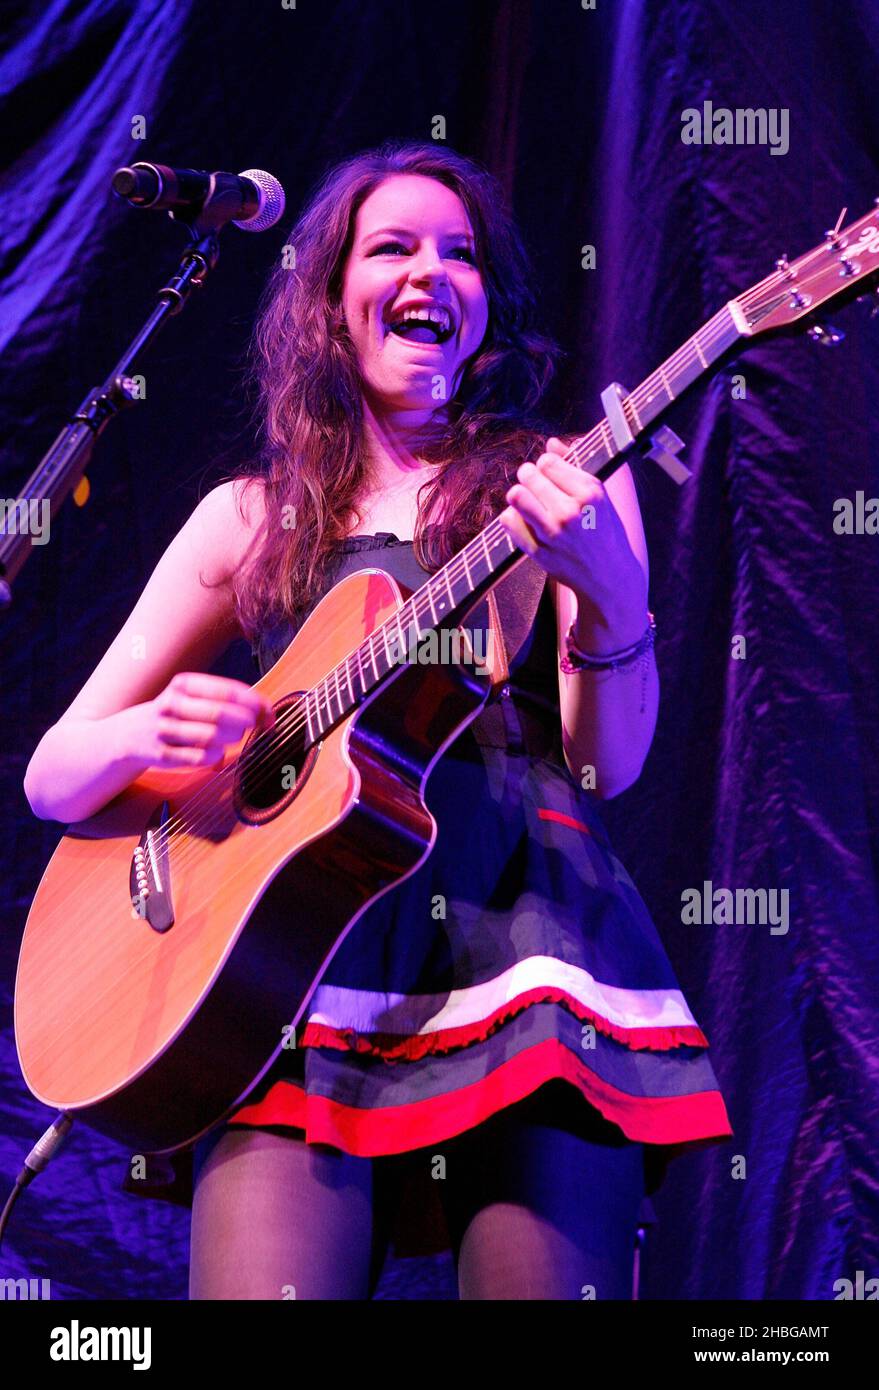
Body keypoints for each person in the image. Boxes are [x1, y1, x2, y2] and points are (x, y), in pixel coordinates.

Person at [24, 140, 732, 1300]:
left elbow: (610, 763)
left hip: (532, 953)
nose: (429, 273)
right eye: (392, 246)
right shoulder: (250, 517)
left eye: (460, 255)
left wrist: (610, 597)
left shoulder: (560, 485)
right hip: (291, 972)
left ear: (488, 306)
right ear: (327, 300)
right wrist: (143, 741)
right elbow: (55, 773)